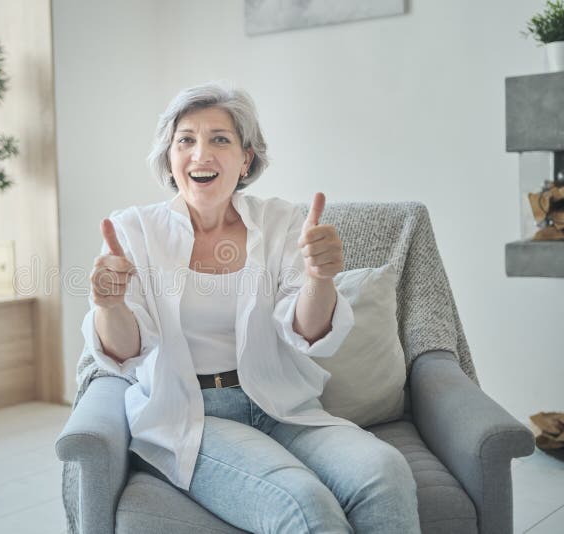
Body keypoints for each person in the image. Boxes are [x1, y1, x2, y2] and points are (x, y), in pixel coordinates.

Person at [81, 82, 420, 533]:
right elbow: (126, 353)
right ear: (169, 157)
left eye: (219, 139)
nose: (201, 153)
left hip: (280, 402)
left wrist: (320, 280)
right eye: (186, 139)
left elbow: (309, 330)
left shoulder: (280, 222)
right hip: (193, 415)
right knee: (304, 505)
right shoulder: (134, 230)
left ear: (246, 159)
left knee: (384, 470)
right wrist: (109, 305)